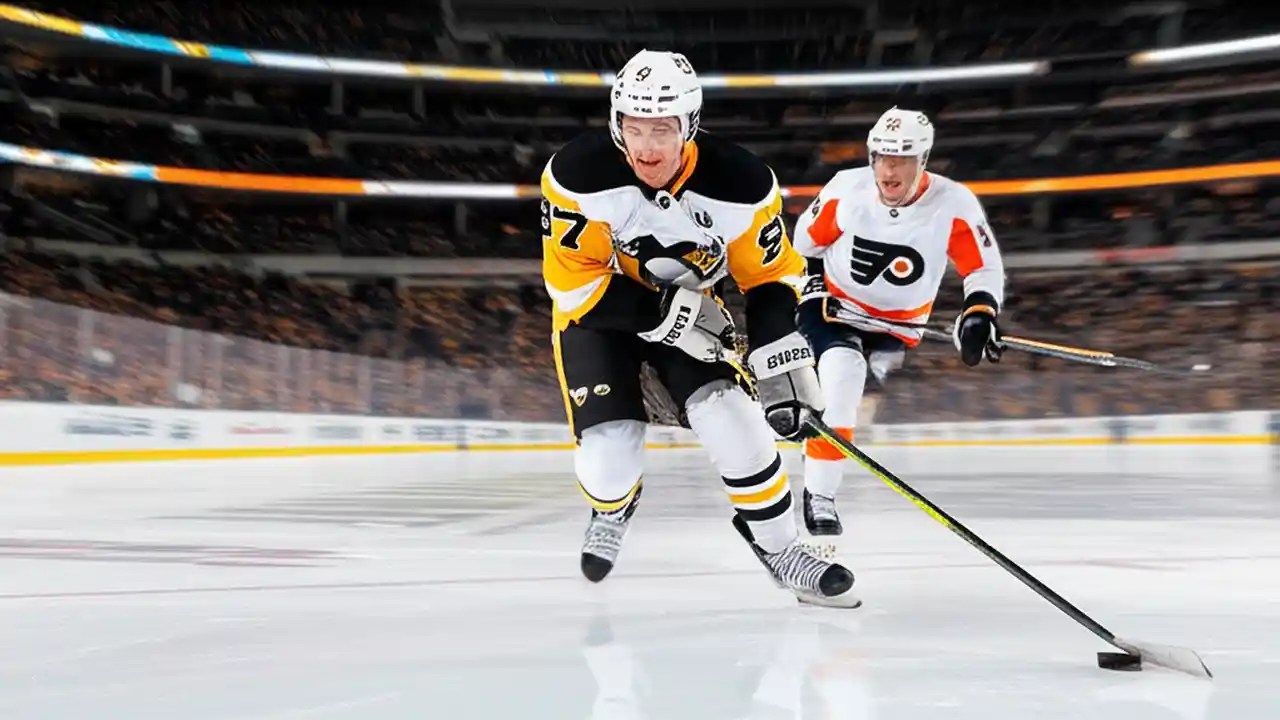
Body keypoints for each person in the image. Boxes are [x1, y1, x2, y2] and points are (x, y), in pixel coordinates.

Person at [541, 49, 859, 607]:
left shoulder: (741, 183)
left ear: (689, 124)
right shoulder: (577, 175)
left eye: (662, 129)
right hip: (601, 317)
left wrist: (778, 350)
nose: (645, 147)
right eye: (633, 127)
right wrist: (666, 315)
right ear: (616, 122)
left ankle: (782, 550)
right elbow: (572, 285)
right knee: (609, 462)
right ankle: (613, 508)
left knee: (736, 421)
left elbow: (771, 277)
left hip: (692, 309)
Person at [792, 107, 1007, 535]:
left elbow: (982, 268)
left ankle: (816, 415)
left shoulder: (953, 203)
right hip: (835, 310)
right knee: (844, 376)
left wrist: (980, 312)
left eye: (902, 159)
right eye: (882, 157)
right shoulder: (846, 189)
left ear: (922, 160)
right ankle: (820, 494)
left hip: (898, 328)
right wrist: (812, 287)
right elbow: (805, 245)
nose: (889, 170)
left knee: (869, 375)